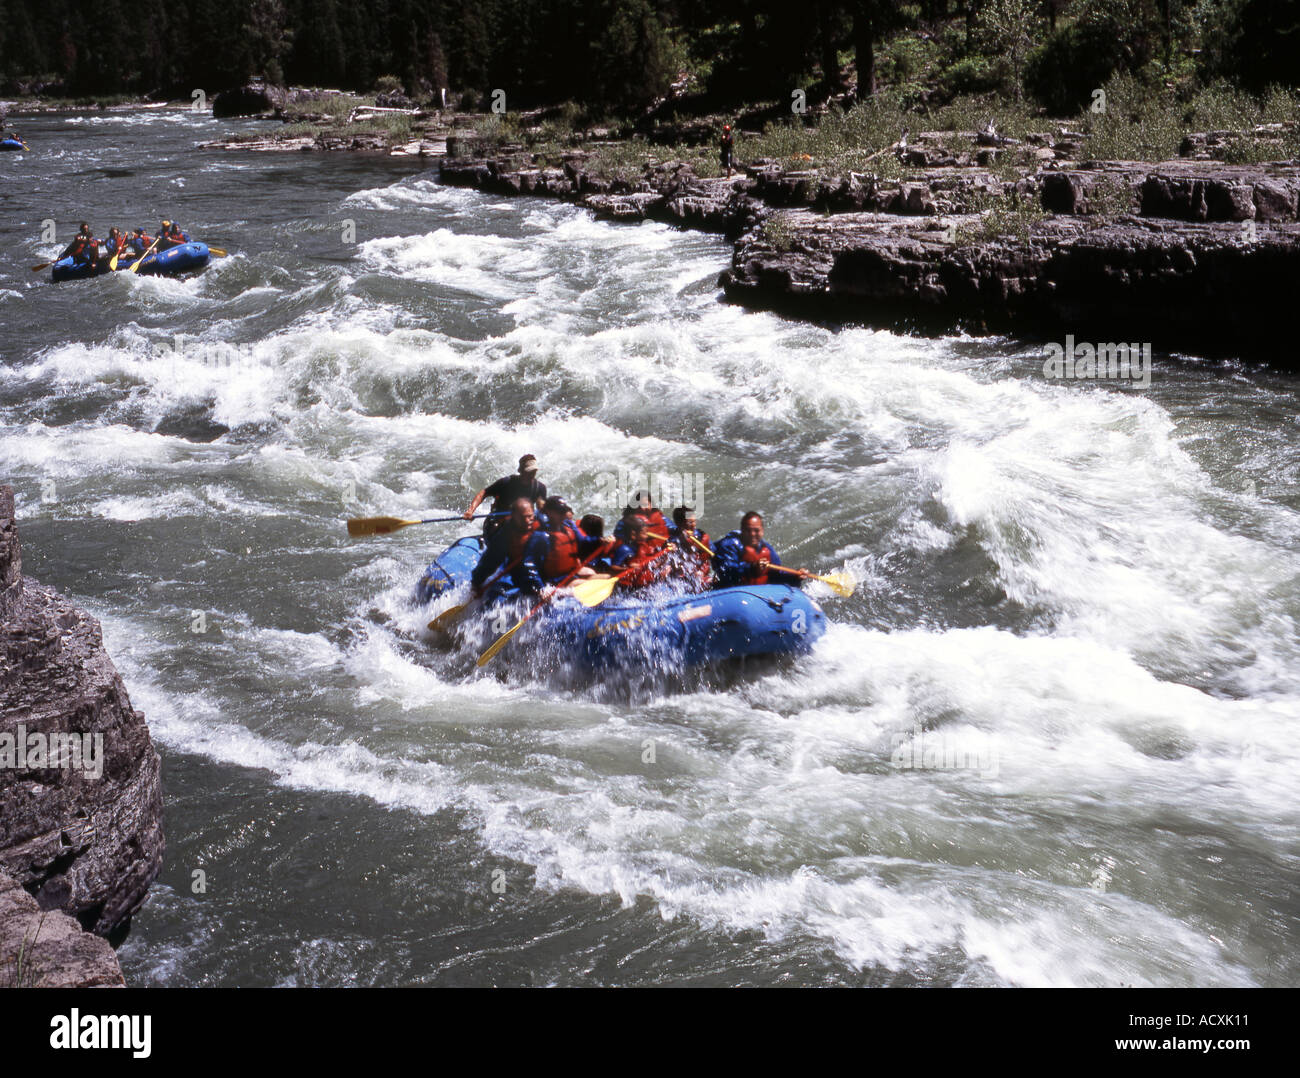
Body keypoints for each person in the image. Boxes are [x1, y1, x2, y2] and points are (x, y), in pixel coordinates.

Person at [470, 497, 543, 598]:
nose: (527, 521)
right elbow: (489, 561)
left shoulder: (544, 523)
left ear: (534, 513)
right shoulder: (505, 535)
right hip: (520, 572)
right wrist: (476, 583)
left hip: (546, 569)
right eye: (522, 518)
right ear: (514, 516)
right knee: (495, 594)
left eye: (529, 516)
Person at [713, 511, 809, 588]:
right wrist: (752, 568)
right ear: (742, 530)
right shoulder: (729, 545)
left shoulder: (766, 549)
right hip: (732, 591)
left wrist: (795, 576)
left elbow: (776, 574)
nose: (752, 534)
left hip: (757, 594)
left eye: (756, 530)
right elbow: (726, 571)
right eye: (748, 530)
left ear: (762, 531)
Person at [463, 454, 547, 538]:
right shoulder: (506, 483)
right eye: (528, 472)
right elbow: (483, 493)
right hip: (498, 522)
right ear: (520, 471)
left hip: (522, 523)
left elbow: (542, 510)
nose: (531, 475)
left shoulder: (540, 488)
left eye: (533, 472)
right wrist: (470, 511)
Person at [531, 496, 601, 585]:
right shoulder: (541, 536)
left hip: (571, 573)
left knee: (605, 577)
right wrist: (540, 588)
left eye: (564, 511)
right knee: (591, 584)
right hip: (555, 581)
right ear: (549, 512)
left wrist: (600, 540)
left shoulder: (568, 527)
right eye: (559, 512)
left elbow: (583, 542)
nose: (563, 515)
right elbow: (531, 565)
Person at [610, 515, 675, 591]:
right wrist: (627, 568)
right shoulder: (624, 549)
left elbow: (650, 563)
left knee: (667, 568)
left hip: (641, 579)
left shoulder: (643, 545)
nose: (647, 536)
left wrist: (668, 551)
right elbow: (613, 567)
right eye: (644, 533)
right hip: (629, 585)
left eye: (647, 532)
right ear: (633, 535)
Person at [669, 505, 712, 590]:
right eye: (690, 523)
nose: (694, 525)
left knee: (705, 580)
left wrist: (701, 572)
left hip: (698, 573)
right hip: (680, 575)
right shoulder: (672, 538)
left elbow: (706, 562)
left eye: (694, 521)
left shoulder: (701, 537)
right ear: (679, 524)